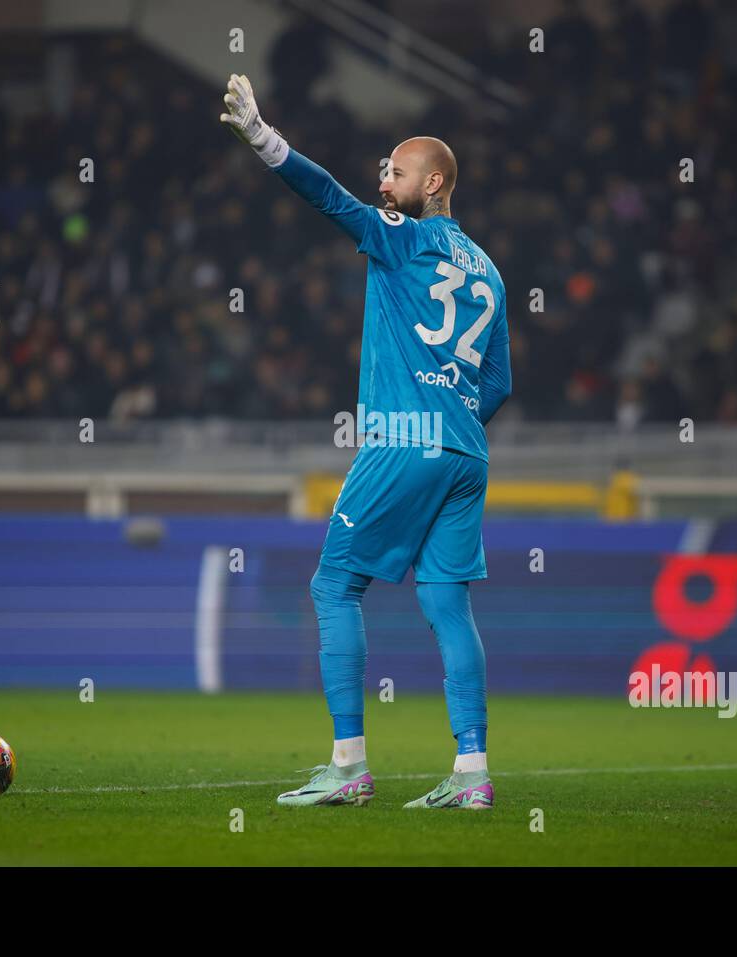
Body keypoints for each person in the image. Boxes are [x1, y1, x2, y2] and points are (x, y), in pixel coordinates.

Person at [220, 74, 511, 809]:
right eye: (383, 166)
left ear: (435, 181)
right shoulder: (492, 273)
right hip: (465, 451)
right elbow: (498, 384)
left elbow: (328, 199)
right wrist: (450, 413)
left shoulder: (402, 238)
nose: (384, 177)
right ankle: (472, 773)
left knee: (333, 584)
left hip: (403, 440)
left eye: (398, 168)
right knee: (448, 604)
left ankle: (349, 764)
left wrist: (263, 137)